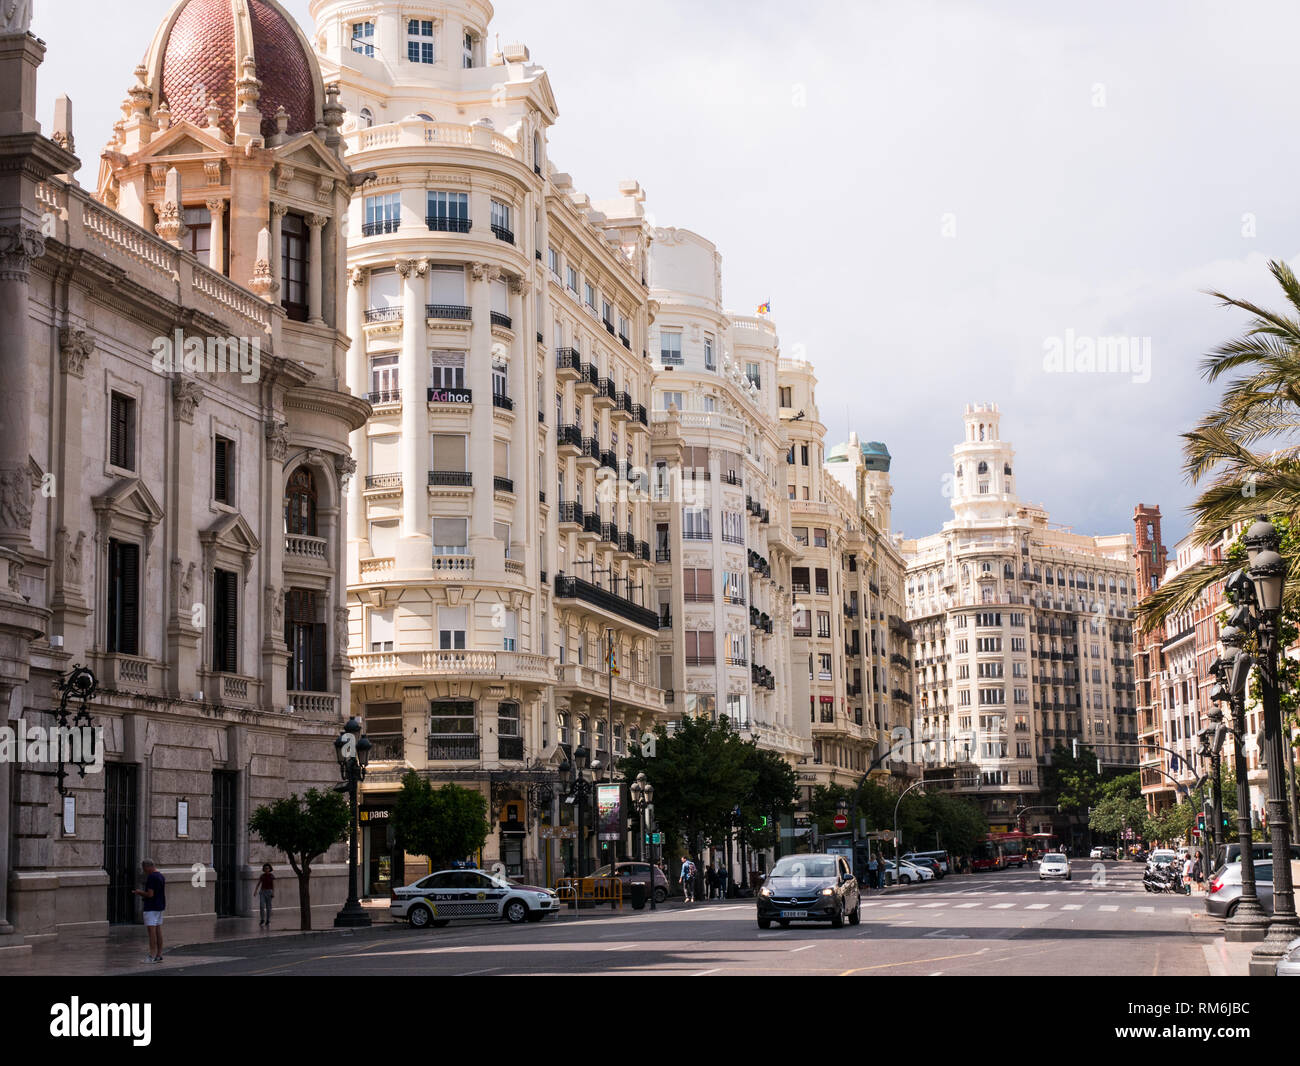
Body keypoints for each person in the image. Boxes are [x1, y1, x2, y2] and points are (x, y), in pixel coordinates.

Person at [132, 859, 166, 962]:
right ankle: (159, 954)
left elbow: (150, 894)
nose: (144, 871)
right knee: (158, 930)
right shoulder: (161, 876)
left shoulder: (152, 877)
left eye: (144, 869)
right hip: (160, 906)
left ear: (148, 867)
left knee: (151, 932)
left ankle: (151, 955)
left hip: (151, 907)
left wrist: (139, 892)